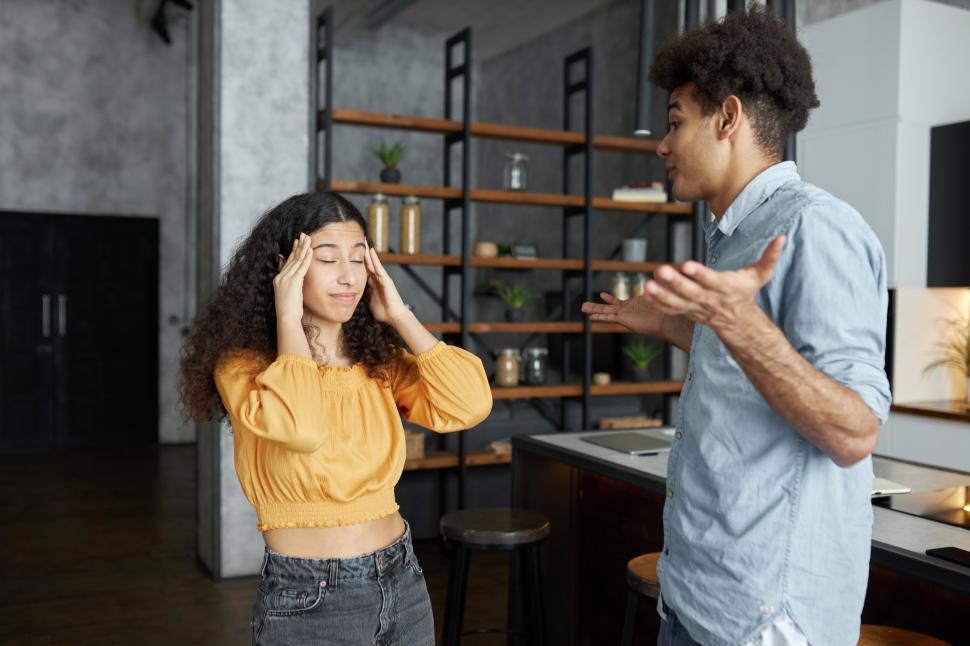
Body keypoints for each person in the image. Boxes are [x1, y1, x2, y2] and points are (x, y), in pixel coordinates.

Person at [583, 7, 890, 646]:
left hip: (764, 621)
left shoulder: (815, 228)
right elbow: (752, 371)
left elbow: (855, 429)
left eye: (675, 123)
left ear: (728, 117)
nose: (662, 145)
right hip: (699, 597)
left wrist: (734, 321)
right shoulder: (731, 236)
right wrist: (674, 326)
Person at [180, 191, 492, 645]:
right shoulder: (245, 366)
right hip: (310, 597)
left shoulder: (376, 359)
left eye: (359, 259)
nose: (349, 277)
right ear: (287, 268)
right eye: (327, 259)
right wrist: (288, 314)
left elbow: (468, 405)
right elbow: (301, 427)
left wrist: (400, 315)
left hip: (401, 576)